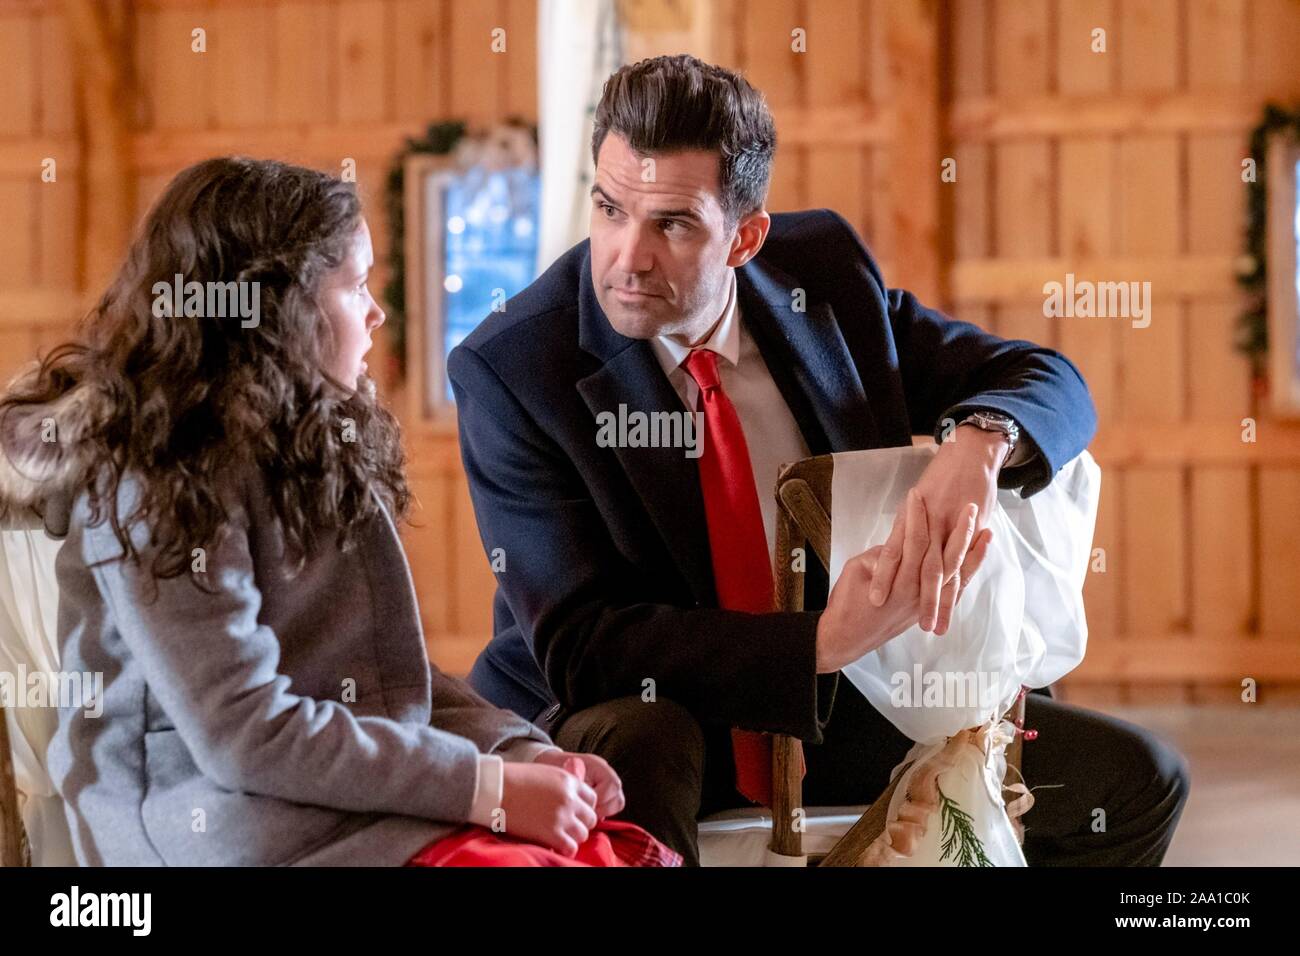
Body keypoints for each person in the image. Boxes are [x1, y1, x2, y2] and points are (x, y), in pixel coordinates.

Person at [451, 55, 1190, 866]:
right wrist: (821, 643)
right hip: (630, 713)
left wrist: (980, 445)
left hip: (835, 702)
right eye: (610, 208)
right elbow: (587, 646)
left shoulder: (822, 276)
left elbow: (1048, 379)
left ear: (746, 237)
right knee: (650, 738)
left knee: (1139, 781)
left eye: (673, 224)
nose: (627, 257)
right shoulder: (515, 366)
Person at [0, 156, 677, 867]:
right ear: (276, 310)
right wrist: (485, 789)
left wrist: (524, 756)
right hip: (217, 821)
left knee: (618, 852)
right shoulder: (161, 476)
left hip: (340, 798)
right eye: (355, 286)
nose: (377, 312)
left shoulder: (315, 442)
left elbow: (388, 679)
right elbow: (244, 735)